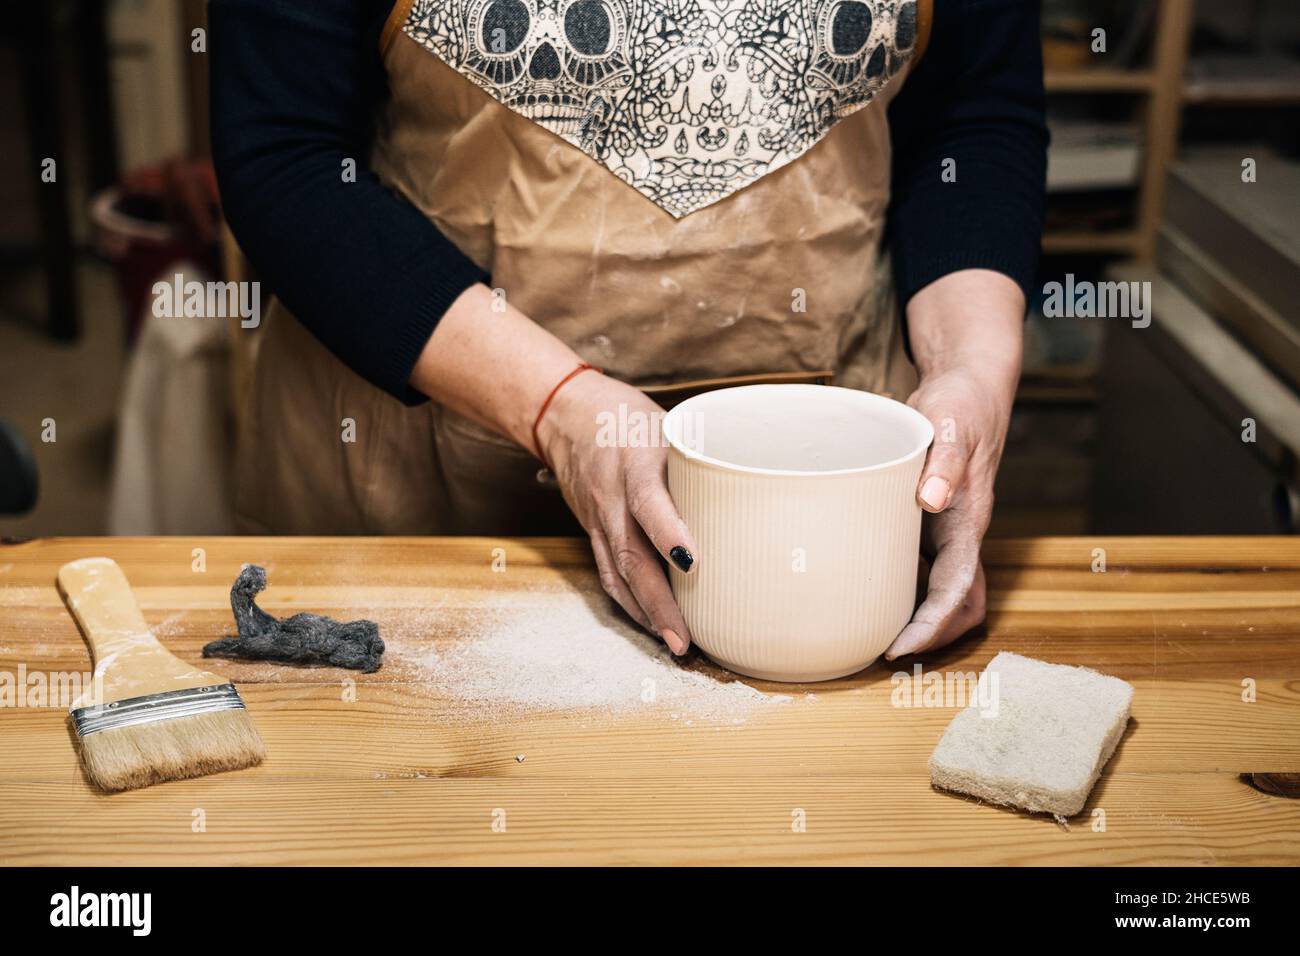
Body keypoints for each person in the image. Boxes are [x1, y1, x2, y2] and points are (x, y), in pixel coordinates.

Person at [210, 0, 1047, 661]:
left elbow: (974, 117)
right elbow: (288, 154)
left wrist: (970, 367)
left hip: (831, 492)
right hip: (430, 461)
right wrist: (559, 409)